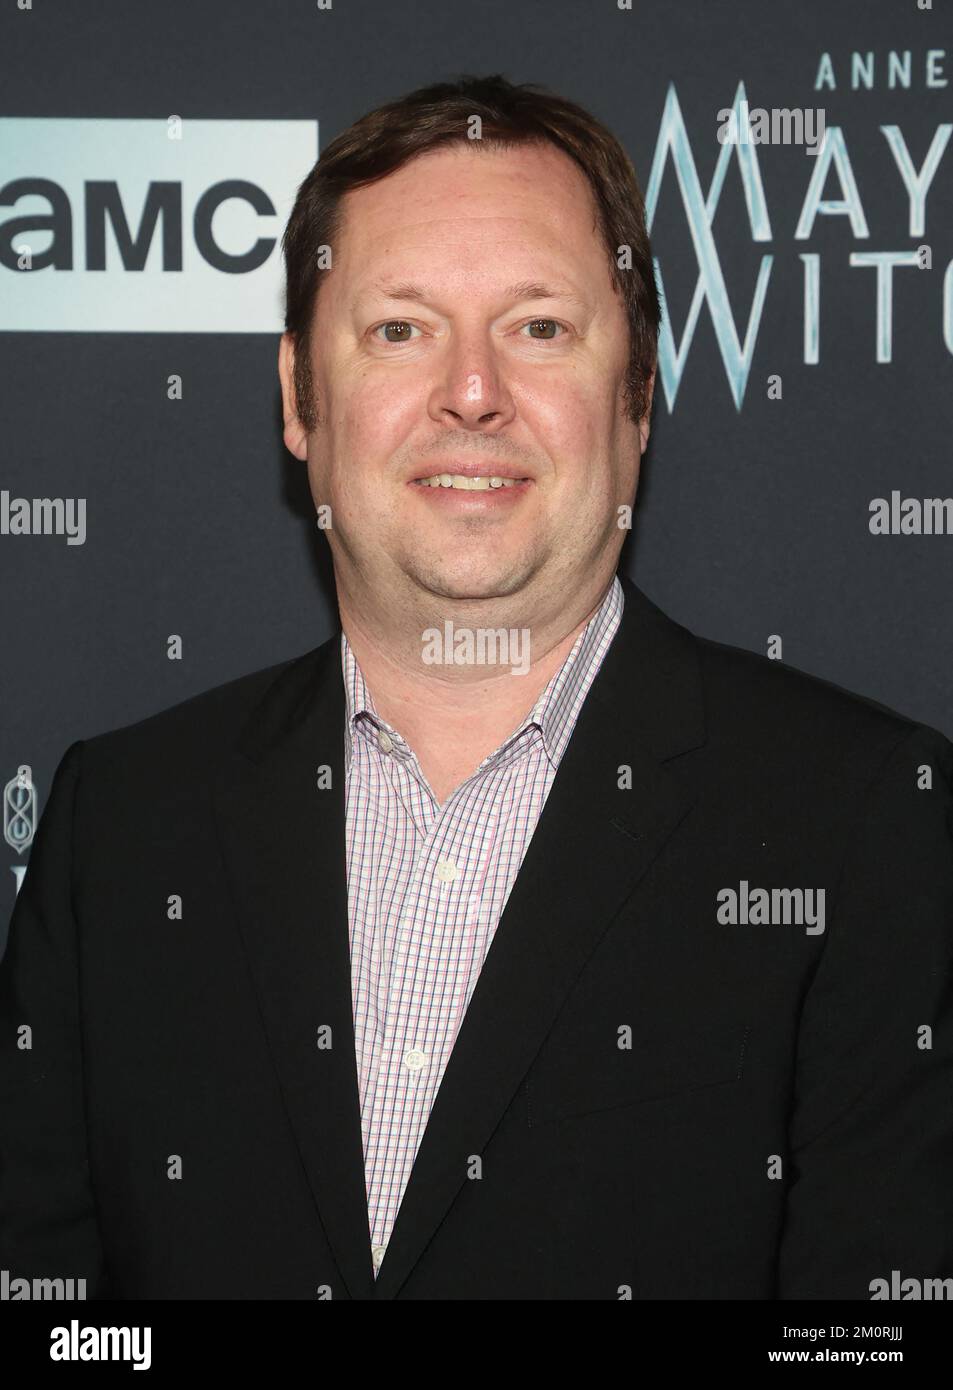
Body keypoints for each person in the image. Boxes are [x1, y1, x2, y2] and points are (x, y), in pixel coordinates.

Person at [1, 74, 951, 1301]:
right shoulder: (121, 822)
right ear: (300, 398)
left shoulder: (866, 821)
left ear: (640, 394)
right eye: (399, 328)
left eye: (539, 328)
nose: (470, 391)